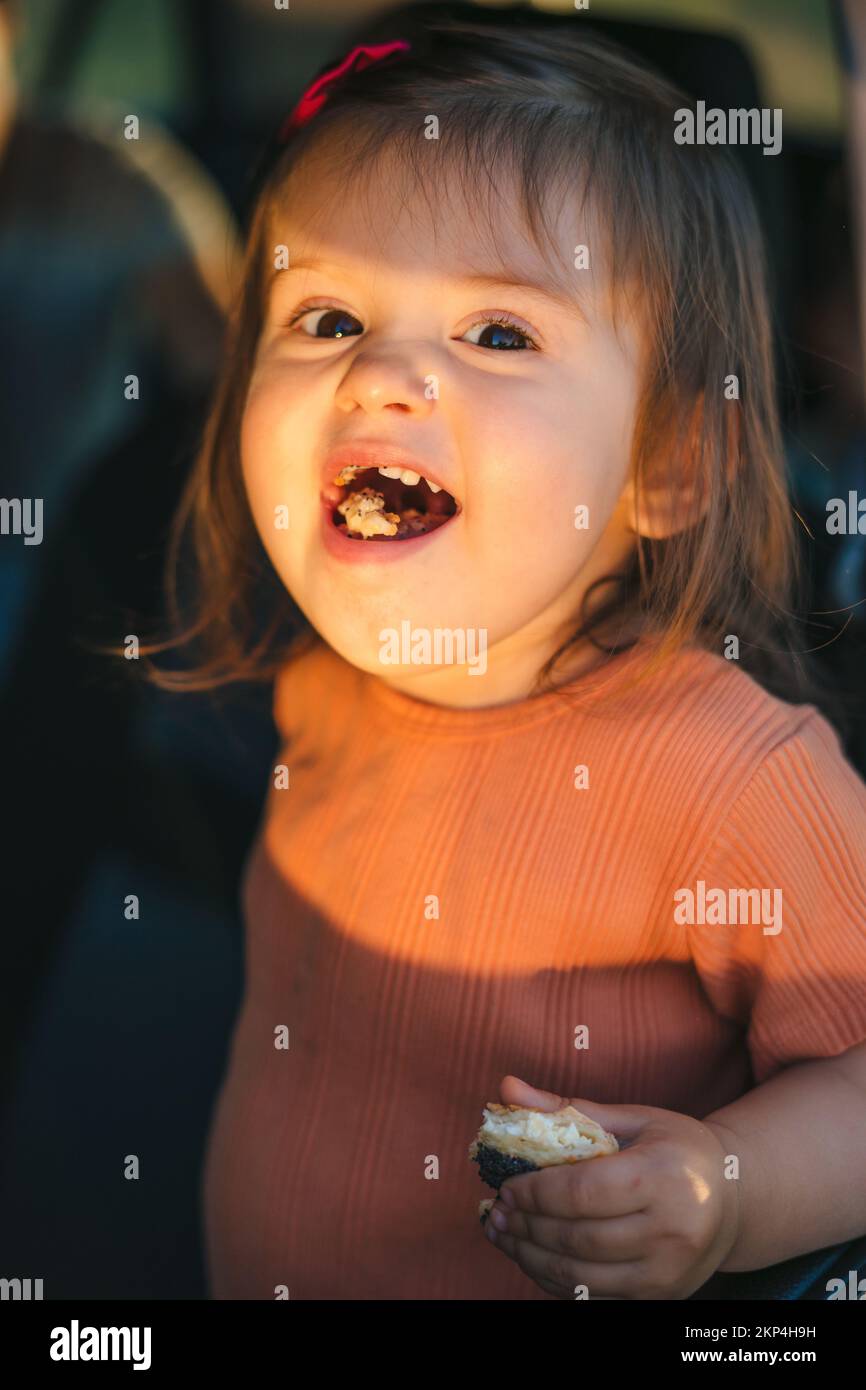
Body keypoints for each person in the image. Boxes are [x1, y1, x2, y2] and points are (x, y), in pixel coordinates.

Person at [141, 8, 866, 1300]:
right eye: (323, 317)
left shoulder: (724, 777)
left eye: (497, 334)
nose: (379, 375)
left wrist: (725, 1190)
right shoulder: (314, 700)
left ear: (663, 461)